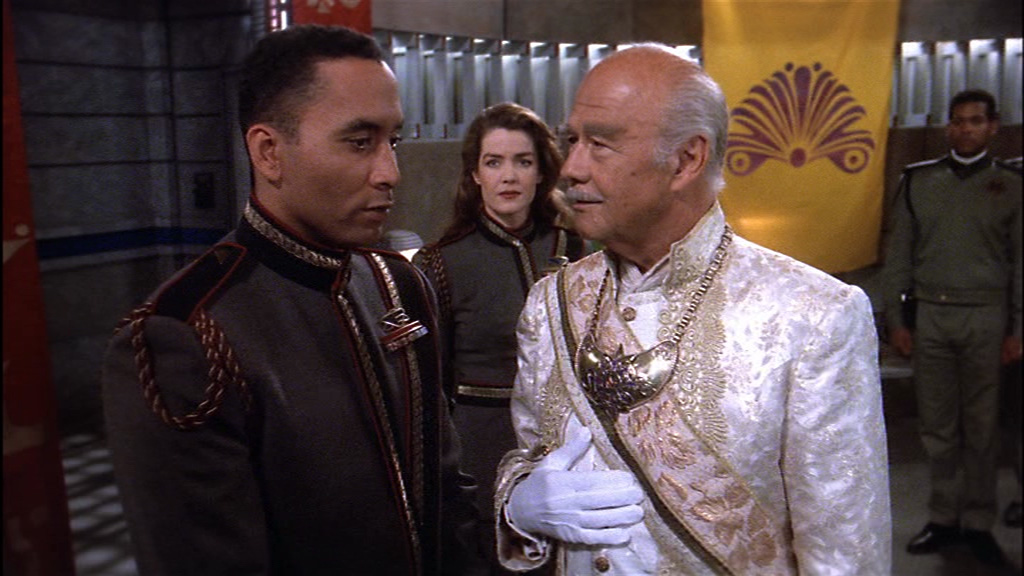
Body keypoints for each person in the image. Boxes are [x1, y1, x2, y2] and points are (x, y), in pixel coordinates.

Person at [492, 44, 891, 575]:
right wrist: (518, 506)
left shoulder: (814, 315)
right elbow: (531, 459)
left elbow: (846, 554)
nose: (571, 168)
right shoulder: (550, 303)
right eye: (572, 140)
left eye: (600, 144)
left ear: (686, 160)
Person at [102, 25, 484, 575]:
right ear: (269, 152)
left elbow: (447, 491)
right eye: (359, 142)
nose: (390, 173)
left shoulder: (398, 285)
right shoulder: (185, 336)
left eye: (393, 141)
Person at [413, 102, 588, 573]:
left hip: (567, 444)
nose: (508, 176)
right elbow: (428, 387)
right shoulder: (440, 262)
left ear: (541, 173)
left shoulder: (573, 247)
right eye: (494, 162)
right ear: (475, 175)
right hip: (481, 448)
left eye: (522, 161)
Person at [884, 90, 1023, 566]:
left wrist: (1018, 328)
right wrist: (897, 321)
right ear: (949, 127)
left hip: (987, 316)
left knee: (981, 427)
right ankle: (943, 518)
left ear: (992, 127)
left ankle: (978, 523)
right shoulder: (920, 181)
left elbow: (1021, 263)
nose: (966, 129)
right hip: (932, 317)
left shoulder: (1011, 185)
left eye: (976, 121)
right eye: (958, 121)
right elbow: (899, 255)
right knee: (938, 427)